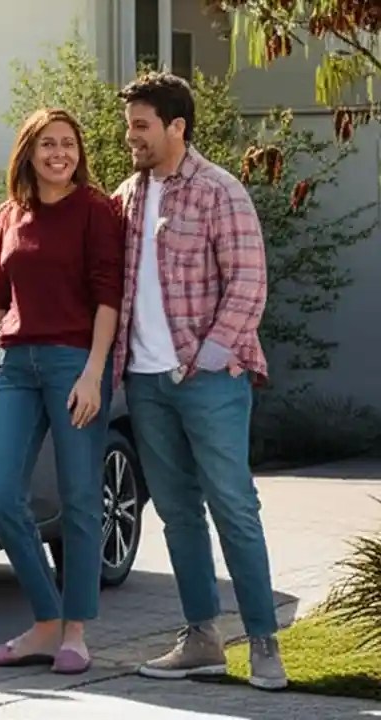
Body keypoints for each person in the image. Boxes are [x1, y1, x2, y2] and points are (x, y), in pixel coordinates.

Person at [109, 71, 287, 691]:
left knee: (234, 507)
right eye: (129, 123)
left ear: (176, 126)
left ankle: (264, 642)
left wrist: (207, 358)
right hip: (145, 380)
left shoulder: (220, 191)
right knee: (179, 514)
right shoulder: (127, 196)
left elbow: (248, 284)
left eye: (140, 124)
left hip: (207, 378)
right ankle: (201, 638)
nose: (130, 135)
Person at [0, 107, 124, 675]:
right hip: (16, 367)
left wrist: (93, 372)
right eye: (48, 145)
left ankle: (75, 632)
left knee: (80, 498)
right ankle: (45, 621)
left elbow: (108, 297)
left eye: (69, 144)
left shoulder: (96, 211)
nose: (60, 153)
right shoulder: (8, 216)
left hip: (72, 366)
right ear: (28, 154)